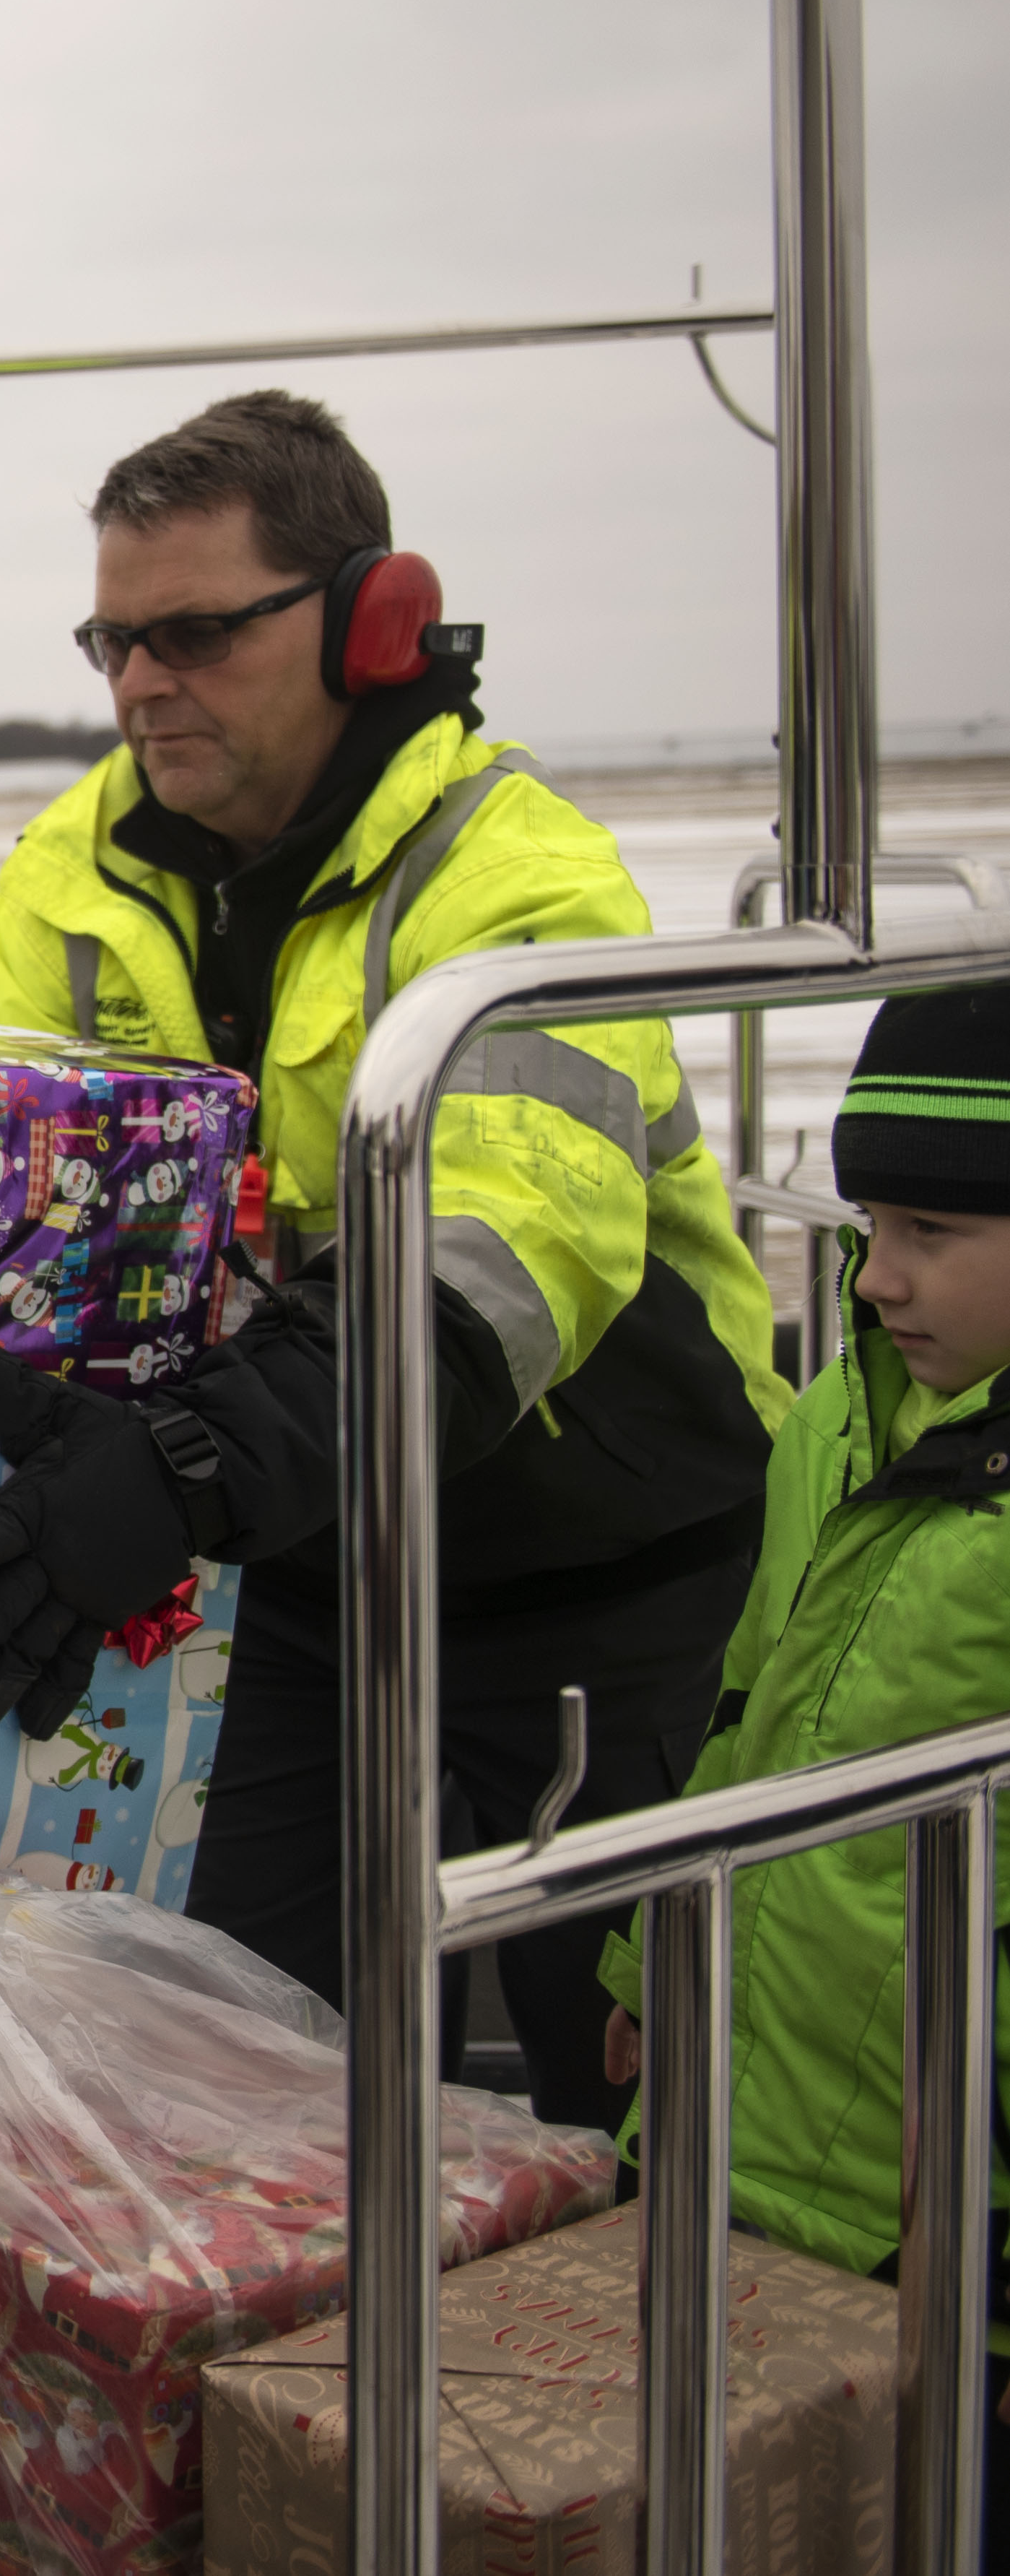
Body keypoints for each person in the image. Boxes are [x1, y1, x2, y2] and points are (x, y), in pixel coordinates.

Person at [0, 390, 790, 2133]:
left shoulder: (518, 880)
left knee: (640, 2107)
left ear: (370, 618)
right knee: (237, 2080)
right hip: (290, 1563)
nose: (143, 681)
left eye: (196, 631)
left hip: (602, 1580)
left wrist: (183, 1457)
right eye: (112, 638)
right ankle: (318, 2391)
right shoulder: (72, 868)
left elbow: (484, 1273)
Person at [598, 981, 1010, 2495]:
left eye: (931, 1233)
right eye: (863, 1226)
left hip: (945, 2175)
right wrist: (647, 1959)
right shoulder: (832, 1413)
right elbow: (743, 1708)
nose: (877, 1273)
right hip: (748, 2102)